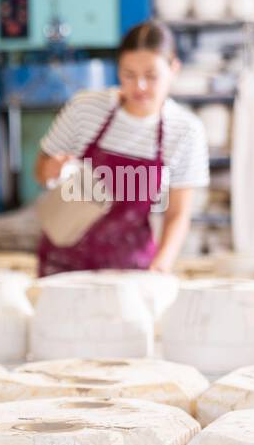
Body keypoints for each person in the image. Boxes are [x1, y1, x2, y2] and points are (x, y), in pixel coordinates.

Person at [34, 19, 209, 275]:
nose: (139, 86)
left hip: (129, 270)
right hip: (63, 265)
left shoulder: (185, 131)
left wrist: (161, 266)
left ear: (174, 69)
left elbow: (177, 214)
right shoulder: (85, 109)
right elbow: (40, 172)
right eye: (129, 75)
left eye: (151, 76)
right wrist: (52, 169)